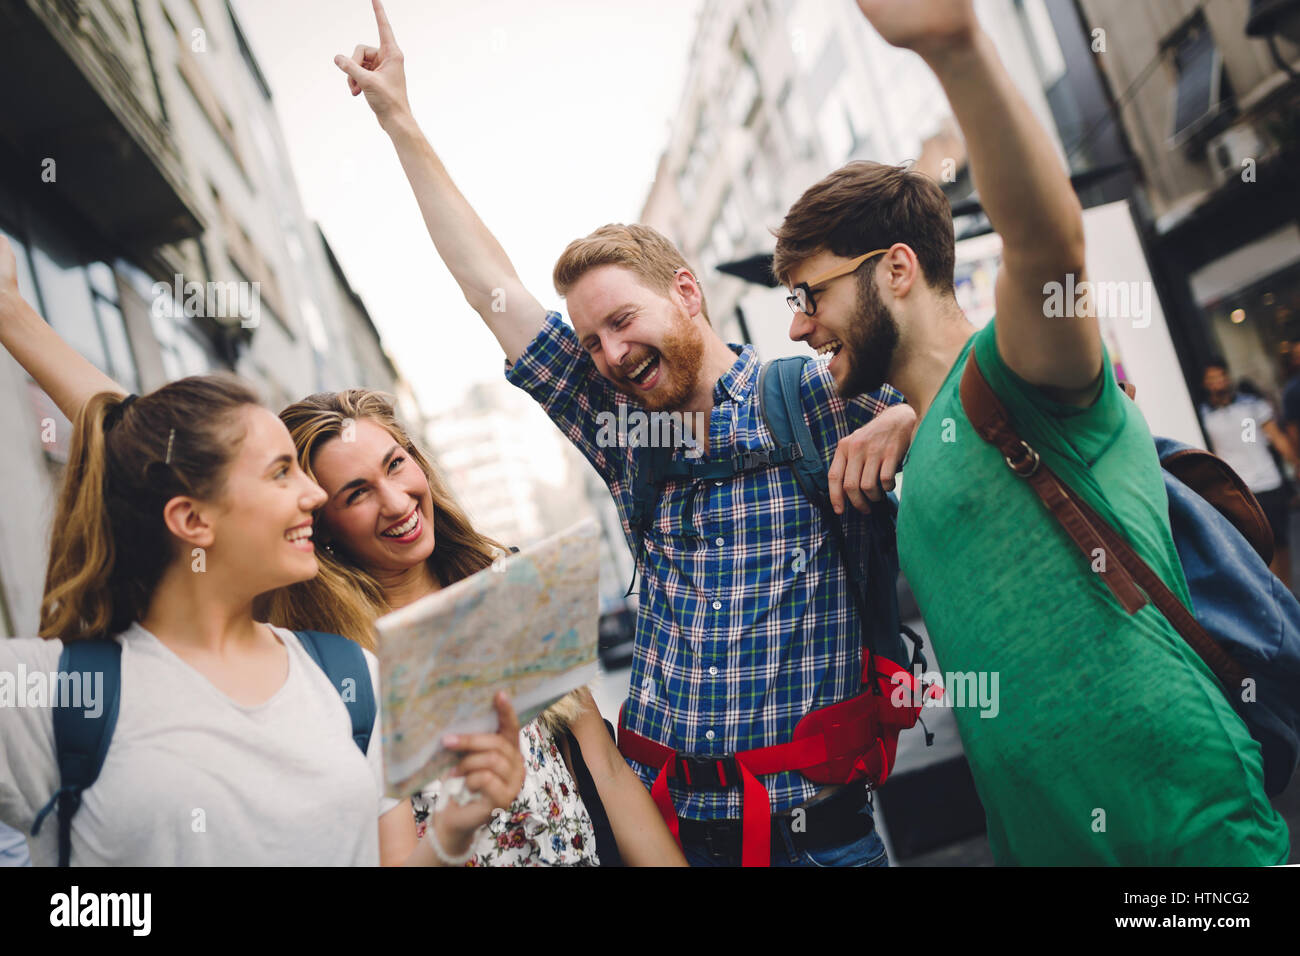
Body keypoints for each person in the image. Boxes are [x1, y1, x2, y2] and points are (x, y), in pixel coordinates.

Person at [334, 0, 919, 867]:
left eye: (622, 320)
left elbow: (993, 391)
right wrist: (400, 121)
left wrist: (912, 420)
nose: (608, 353)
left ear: (686, 292)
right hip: (667, 838)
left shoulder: (823, 394)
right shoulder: (618, 431)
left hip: (819, 842)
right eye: (591, 340)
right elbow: (488, 286)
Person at [770, 0, 1289, 865]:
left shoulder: (1022, 375)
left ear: (897, 269)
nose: (798, 328)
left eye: (809, 295)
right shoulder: (918, 441)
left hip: (1185, 840)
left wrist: (957, 48)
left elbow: (1048, 247)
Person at [0, 235, 524, 865]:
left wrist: (449, 834)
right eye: (281, 472)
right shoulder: (50, 692)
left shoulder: (350, 676)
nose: (313, 496)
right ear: (191, 520)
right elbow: (138, 441)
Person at [267, 389, 687, 866]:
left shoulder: (505, 580)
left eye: (395, 464)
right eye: (358, 492)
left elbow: (606, 770)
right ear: (322, 527)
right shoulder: (336, 667)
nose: (396, 499)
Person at [1199, 357, 1298, 586]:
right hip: (1238, 490)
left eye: (1221, 377)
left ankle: (1287, 591)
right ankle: (1273, 596)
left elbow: (1276, 437)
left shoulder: (1252, 404)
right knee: (1259, 548)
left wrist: (1295, 463)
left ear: (1227, 377)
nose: (1218, 383)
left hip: (1268, 482)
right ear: (1206, 384)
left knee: (1281, 542)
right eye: (1212, 379)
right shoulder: (1203, 414)